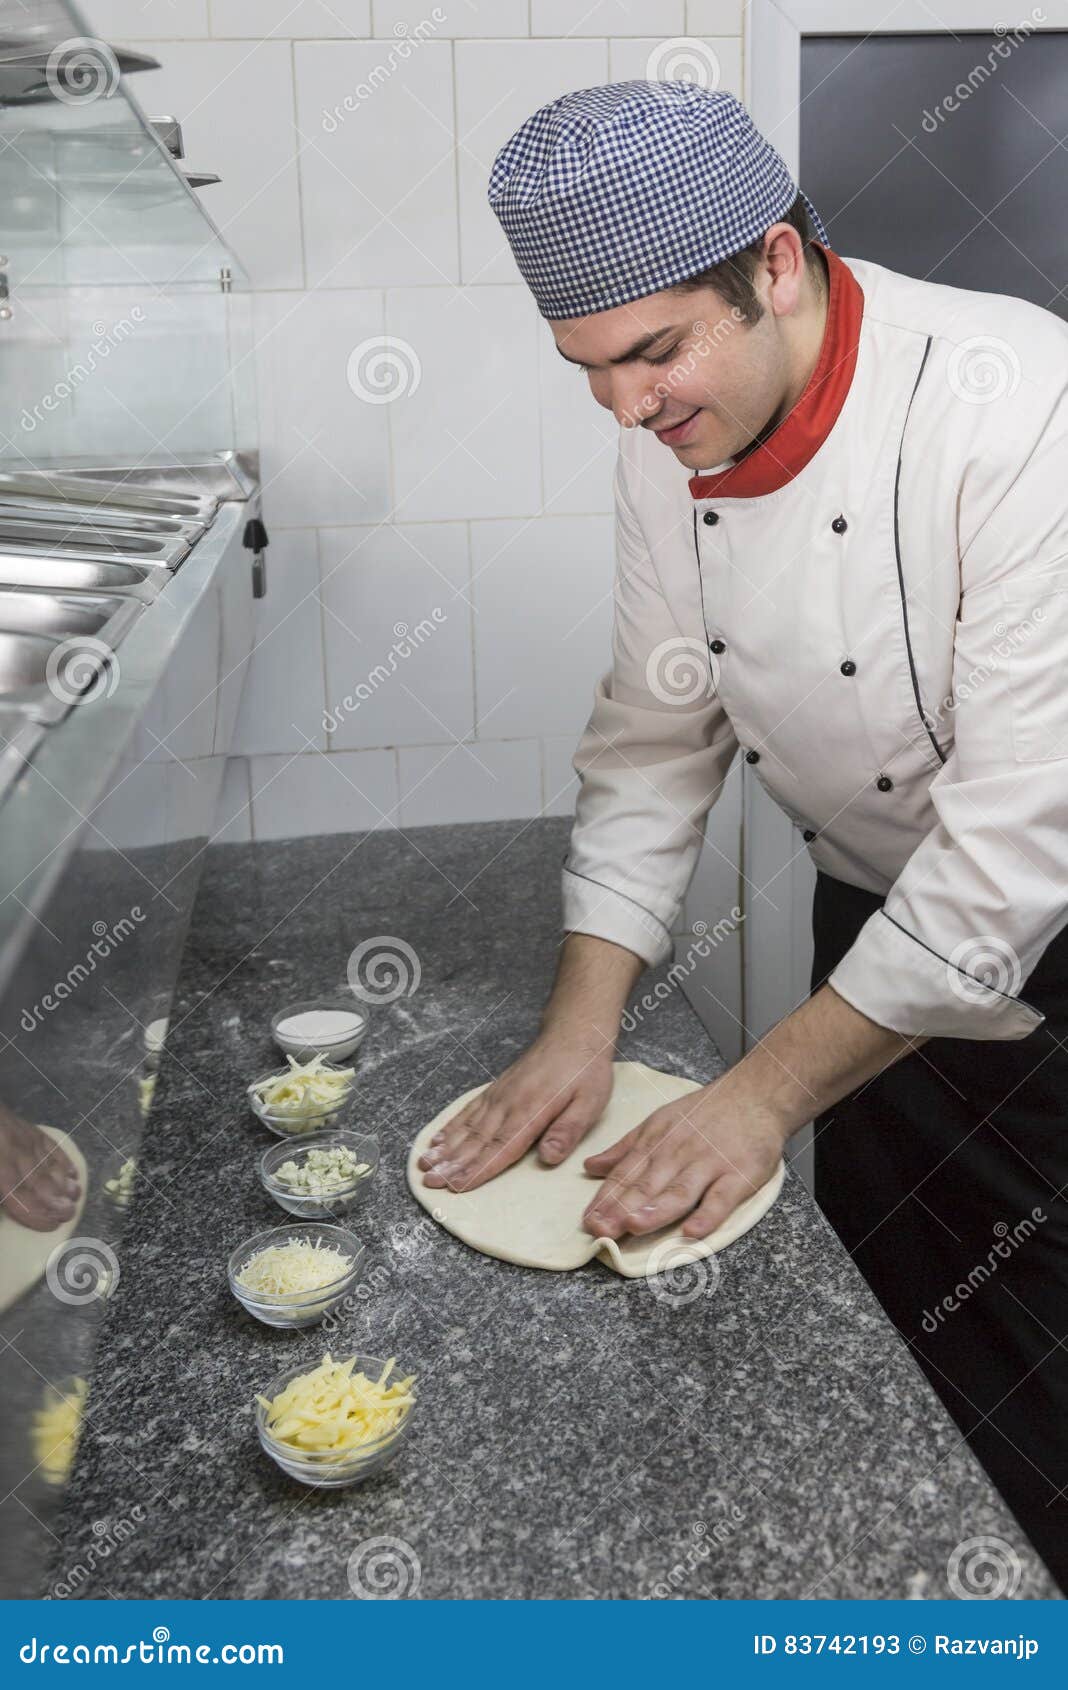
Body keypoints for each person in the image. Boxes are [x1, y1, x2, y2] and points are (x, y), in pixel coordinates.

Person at [417, 80, 1068, 1588]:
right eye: (589, 371)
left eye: (654, 352)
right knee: (897, 1328)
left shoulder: (1017, 407)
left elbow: (1014, 855)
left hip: (1045, 930)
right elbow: (657, 735)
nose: (631, 411)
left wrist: (756, 1096)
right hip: (875, 948)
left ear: (775, 264)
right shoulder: (672, 435)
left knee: (1037, 1382)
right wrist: (583, 1028)